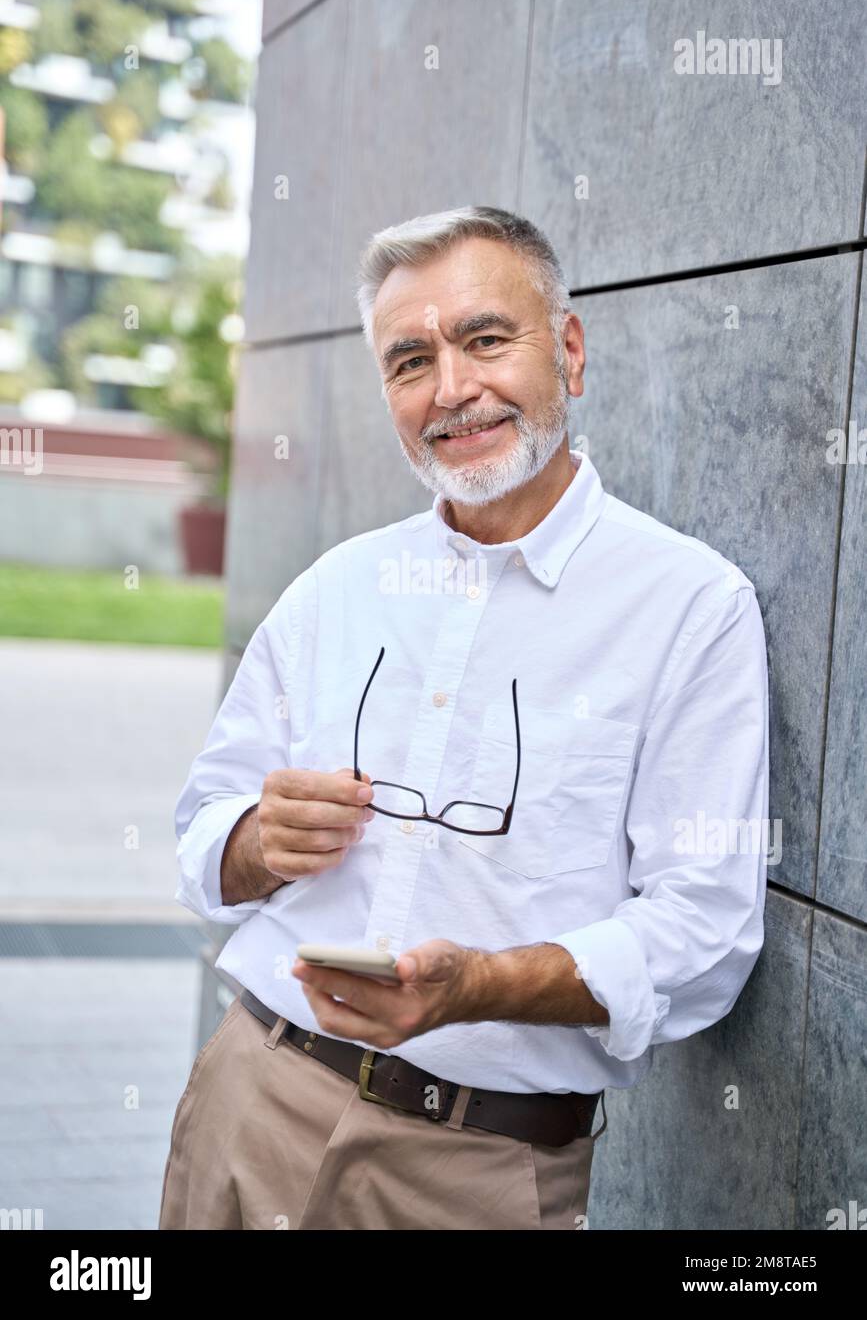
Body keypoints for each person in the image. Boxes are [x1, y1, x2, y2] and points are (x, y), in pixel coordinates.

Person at [159, 206, 769, 1231]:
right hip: (253, 1102)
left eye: (487, 338)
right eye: (410, 360)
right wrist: (258, 844)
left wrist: (481, 984)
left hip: (482, 1167)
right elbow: (199, 837)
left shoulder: (690, 607)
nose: (452, 389)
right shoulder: (335, 588)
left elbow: (705, 931)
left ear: (568, 351)